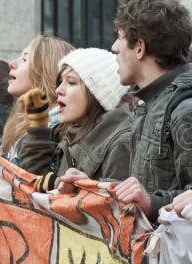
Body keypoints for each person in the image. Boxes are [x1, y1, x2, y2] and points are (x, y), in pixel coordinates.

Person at [61, 0, 192, 223]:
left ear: (139, 48)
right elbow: (142, 186)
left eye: (119, 38)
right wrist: (92, 186)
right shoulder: (151, 101)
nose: (114, 48)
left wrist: (152, 204)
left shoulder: (191, 110)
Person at [31, 48, 132, 191]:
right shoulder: (70, 132)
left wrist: (83, 189)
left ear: (99, 93)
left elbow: (117, 208)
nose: (58, 90)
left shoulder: (121, 143)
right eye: (60, 81)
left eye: (71, 82)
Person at [0, 36, 74, 171]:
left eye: (25, 59)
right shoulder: (23, 119)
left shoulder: (56, 127)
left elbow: (32, 180)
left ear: (45, 71)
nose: (12, 63)